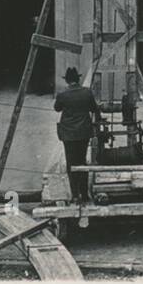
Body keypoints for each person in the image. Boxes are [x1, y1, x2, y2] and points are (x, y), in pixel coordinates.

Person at [54, 67, 101, 203]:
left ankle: (75, 195)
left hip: (68, 134)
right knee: (82, 161)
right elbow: (94, 108)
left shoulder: (62, 94)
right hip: (83, 133)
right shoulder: (87, 92)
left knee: (71, 163)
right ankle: (85, 194)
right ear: (78, 79)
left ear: (67, 80)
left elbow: (57, 108)